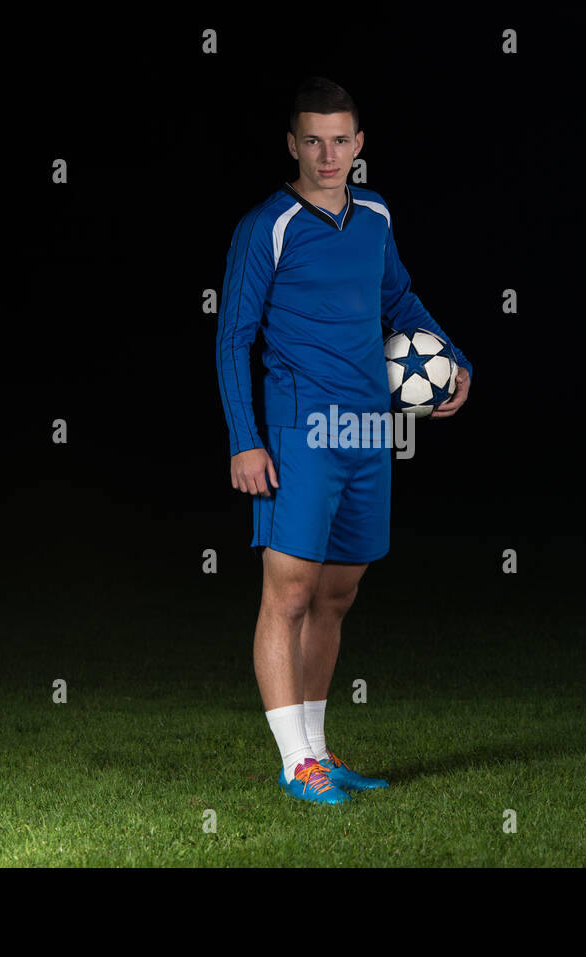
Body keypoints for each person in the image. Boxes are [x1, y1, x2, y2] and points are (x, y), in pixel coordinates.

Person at [215, 76, 473, 804]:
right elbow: (232, 337)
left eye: (340, 141)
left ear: (358, 145)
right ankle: (294, 763)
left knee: (337, 592)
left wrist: (453, 356)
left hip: (368, 429)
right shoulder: (265, 225)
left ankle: (320, 752)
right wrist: (245, 439)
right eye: (313, 141)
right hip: (299, 432)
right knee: (289, 590)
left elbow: (399, 299)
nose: (328, 155)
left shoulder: (376, 214)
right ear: (292, 145)